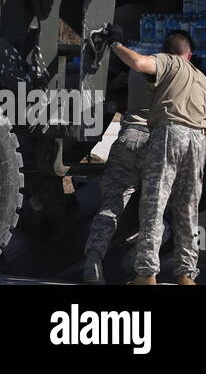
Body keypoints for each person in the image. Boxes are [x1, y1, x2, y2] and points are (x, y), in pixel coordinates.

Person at [107, 27, 206, 285]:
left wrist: (115, 44)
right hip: (197, 141)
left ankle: (146, 274)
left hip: (169, 133)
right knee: (188, 210)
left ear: (170, 51)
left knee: (154, 204)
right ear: (189, 54)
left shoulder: (168, 62)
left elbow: (138, 62)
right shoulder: (202, 79)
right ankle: (186, 274)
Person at [82, 66, 150, 284]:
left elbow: (110, 91)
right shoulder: (177, 74)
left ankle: (93, 260)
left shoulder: (134, 71)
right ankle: (135, 260)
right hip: (156, 141)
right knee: (157, 211)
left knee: (110, 206)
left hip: (127, 138)